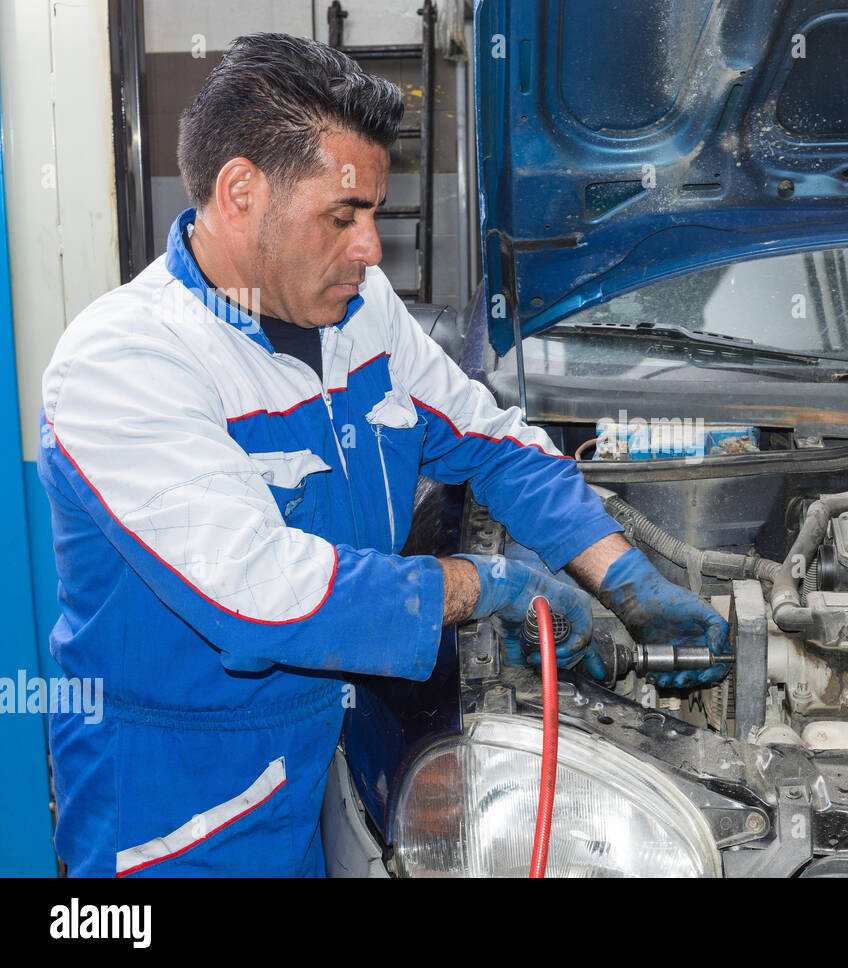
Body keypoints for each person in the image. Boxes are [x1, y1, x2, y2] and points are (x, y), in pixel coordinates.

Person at [37, 33, 730, 877]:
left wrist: (621, 575)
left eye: (372, 212)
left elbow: (495, 443)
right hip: (177, 818)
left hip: (324, 756)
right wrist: (490, 587)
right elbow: (264, 596)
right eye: (343, 215)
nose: (371, 248)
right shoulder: (126, 363)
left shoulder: (360, 316)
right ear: (241, 191)